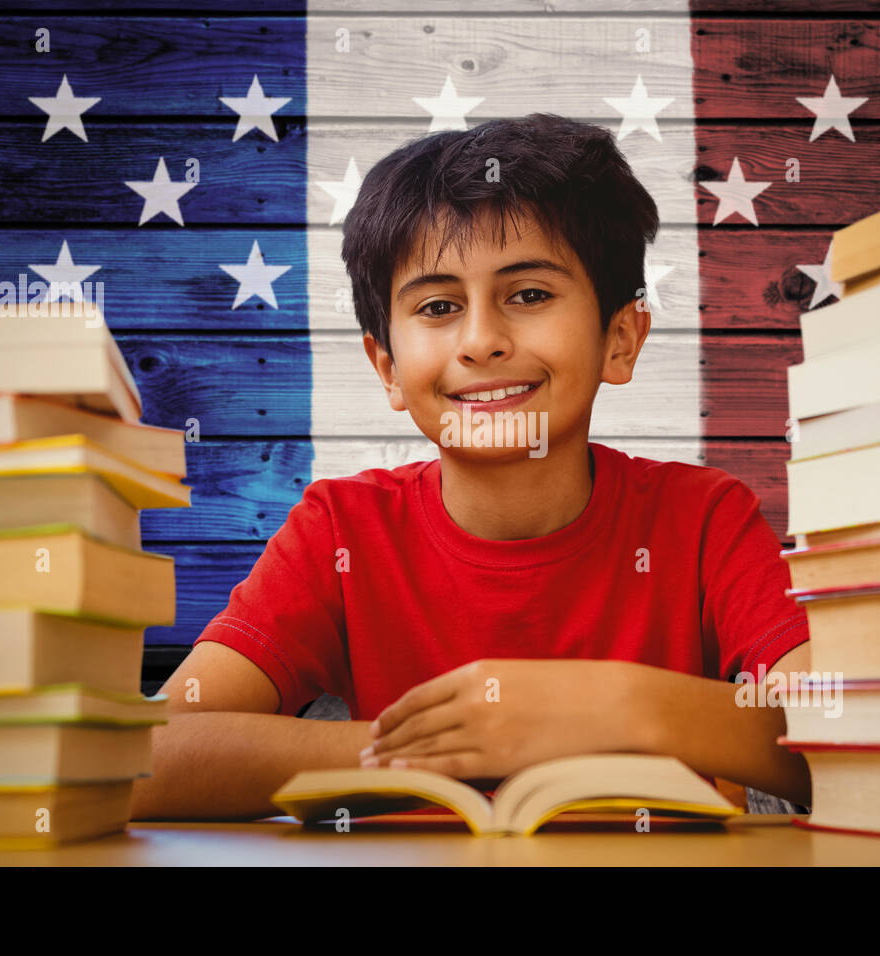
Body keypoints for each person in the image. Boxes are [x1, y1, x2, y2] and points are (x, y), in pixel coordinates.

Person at [130, 113, 812, 821]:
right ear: (388, 368)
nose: (482, 340)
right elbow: (148, 759)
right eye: (437, 306)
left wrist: (618, 707)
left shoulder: (703, 520)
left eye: (529, 295)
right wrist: (442, 750)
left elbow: (847, 742)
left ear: (620, 337)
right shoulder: (341, 530)